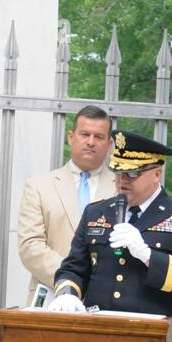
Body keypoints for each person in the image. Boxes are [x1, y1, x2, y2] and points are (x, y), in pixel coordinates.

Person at [49, 130, 172, 328]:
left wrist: (148, 255)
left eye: (132, 174)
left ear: (156, 174)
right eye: (118, 172)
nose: (122, 180)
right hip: (96, 330)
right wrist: (68, 294)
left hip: (150, 336)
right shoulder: (96, 212)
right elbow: (73, 268)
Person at [17, 106, 117, 304]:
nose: (90, 142)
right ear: (71, 137)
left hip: (106, 299)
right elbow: (30, 246)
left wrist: (96, 282)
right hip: (51, 294)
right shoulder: (38, 186)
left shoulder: (123, 189)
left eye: (98, 136)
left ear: (109, 144)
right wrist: (72, 279)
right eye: (84, 134)